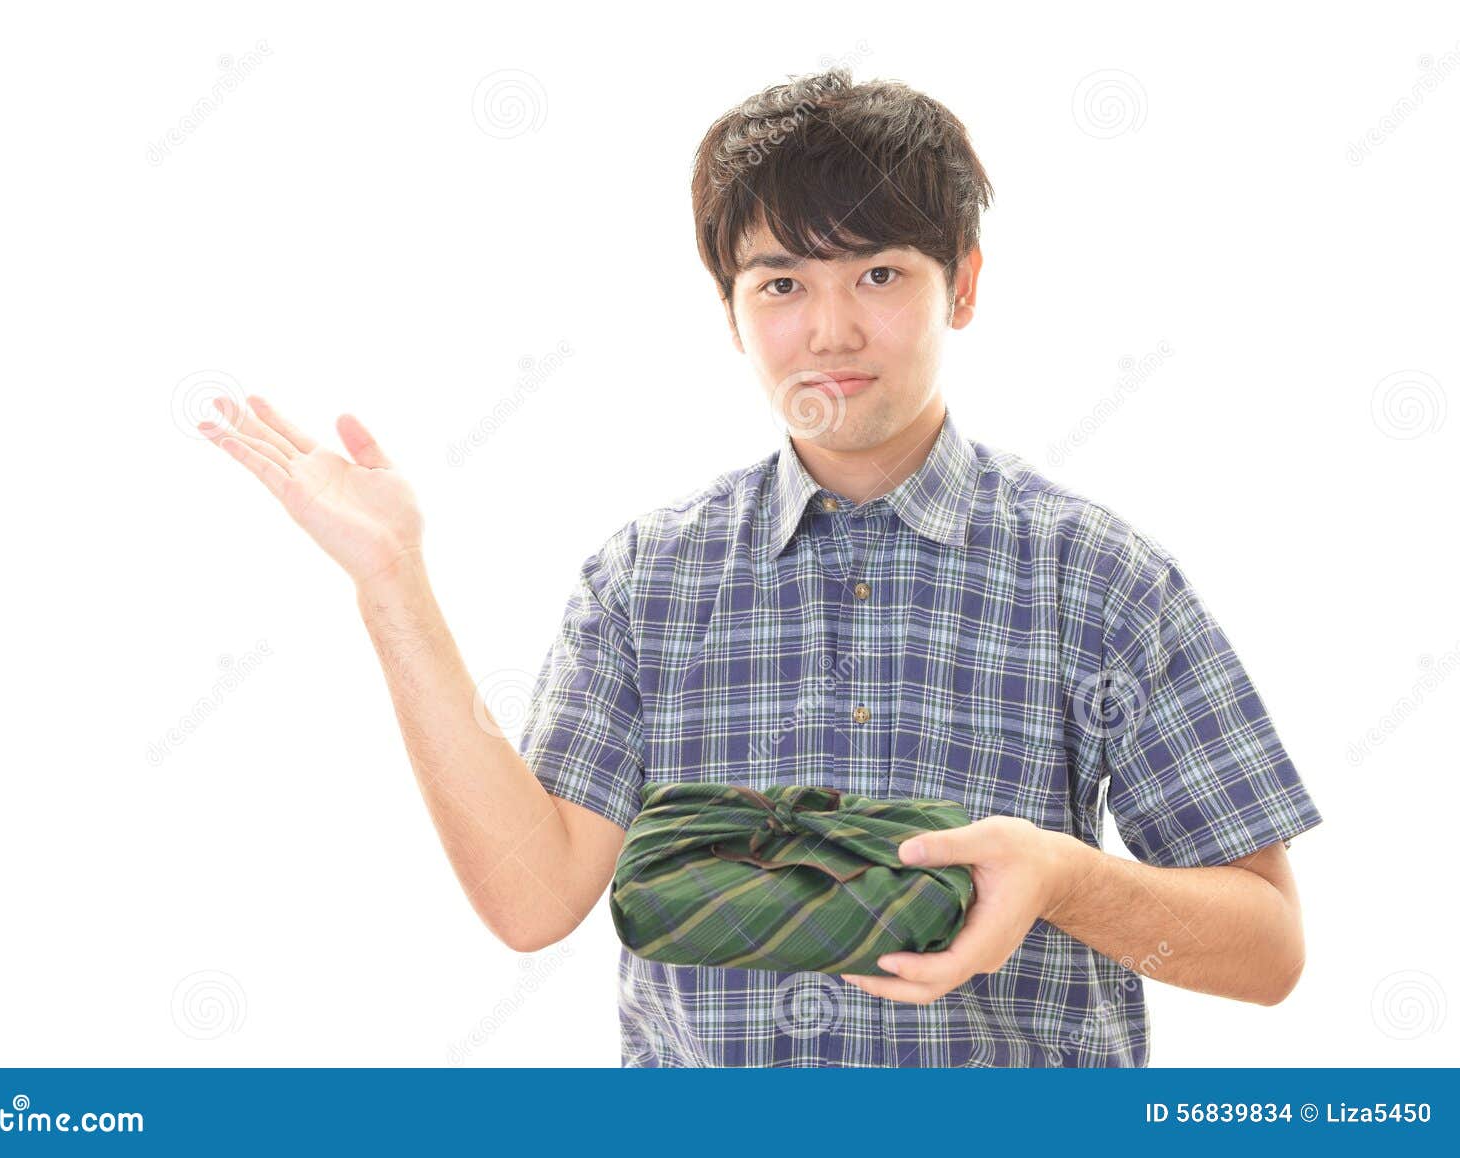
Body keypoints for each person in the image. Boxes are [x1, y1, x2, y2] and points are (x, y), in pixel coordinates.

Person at [199, 66, 1323, 1067]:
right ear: (732, 315)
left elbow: (1267, 951)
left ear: (963, 285)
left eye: (879, 274)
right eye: (781, 284)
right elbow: (534, 898)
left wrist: (1067, 878)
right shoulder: (647, 580)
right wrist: (392, 580)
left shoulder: (1097, 574)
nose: (829, 330)